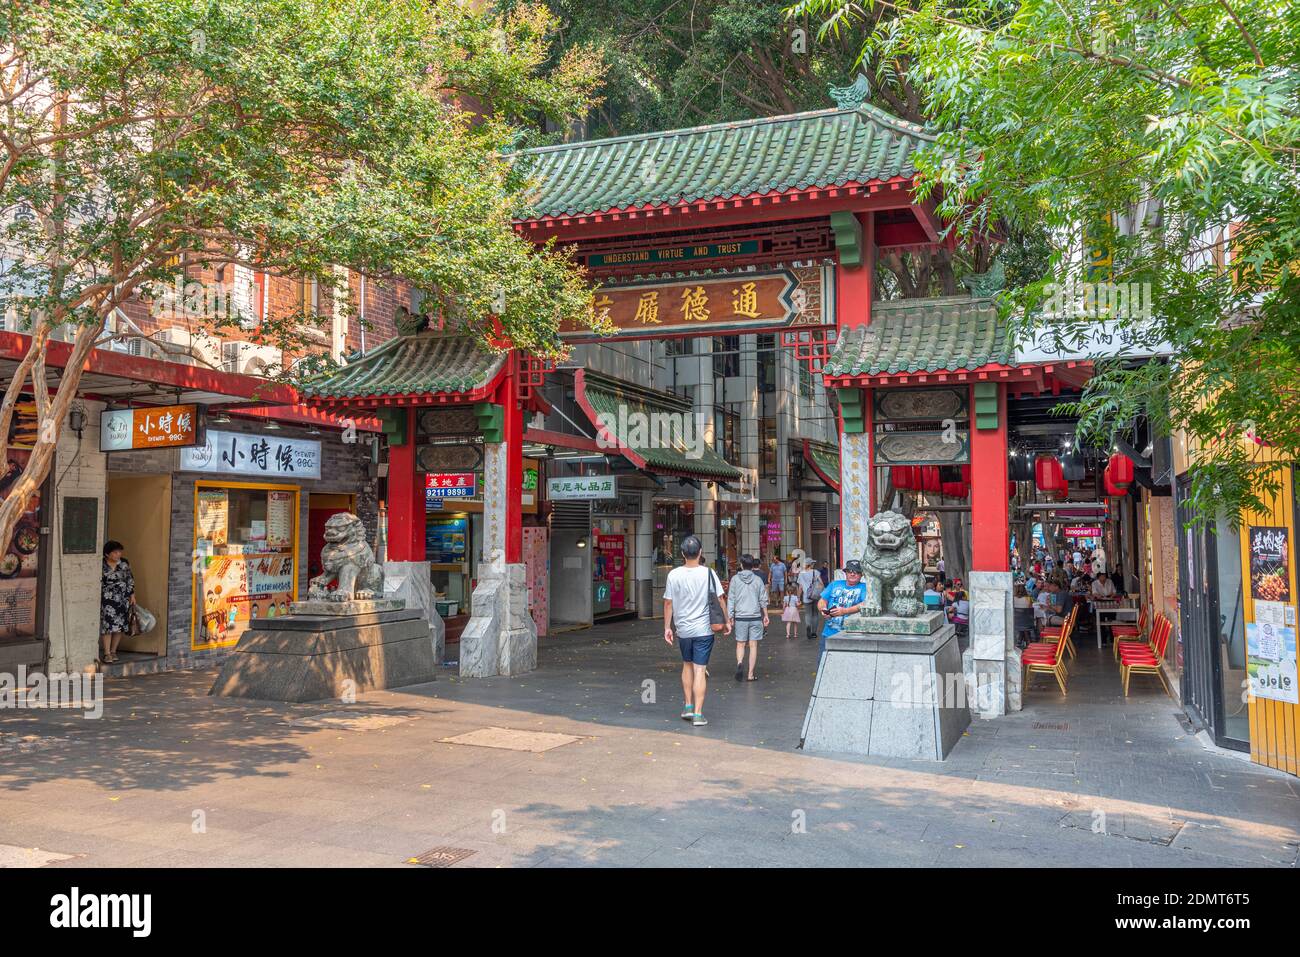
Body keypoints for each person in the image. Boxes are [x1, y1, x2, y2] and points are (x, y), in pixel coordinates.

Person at [663, 535, 728, 727]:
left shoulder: (673, 575)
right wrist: (727, 620)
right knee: (700, 669)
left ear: (682, 554)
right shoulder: (709, 573)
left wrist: (667, 627)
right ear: (700, 552)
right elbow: (720, 599)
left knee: (687, 664)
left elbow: (668, 603)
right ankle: (698, 715)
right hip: (704, 630)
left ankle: (688, 706)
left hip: (683, 630)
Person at [727, 554, 769, 681]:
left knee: (740, 644)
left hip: (740, 617)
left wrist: (730, 615)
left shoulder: (735, 579)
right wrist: (766, 615)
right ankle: (750, 674)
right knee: (753, 645)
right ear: (752, 565)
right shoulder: (758, 580)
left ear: (741, 565)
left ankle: (740, 663)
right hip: (755, 616)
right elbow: (763, 599)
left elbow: (731, 598)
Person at [816, 560, 869, 659]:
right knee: (823, 663)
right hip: (828, 633)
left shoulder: (864, 587)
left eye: (856, 572)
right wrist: (823, 610)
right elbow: (822, 600)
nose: (852, 574)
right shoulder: (834, 584)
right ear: (845, 573)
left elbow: (865, 603)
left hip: (852, 636)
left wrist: (844, 611)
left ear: (861, 575)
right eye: (850, 571)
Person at [100, 539, 135, 664]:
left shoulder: (124, 564)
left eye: (119, 552)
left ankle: (114, 651)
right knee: (107, 626)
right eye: (115, 552)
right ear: (107, 554)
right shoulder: (101, 565)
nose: (118, 554)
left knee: (119, 626)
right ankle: (107, 653)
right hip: (107, 600)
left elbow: (130, 580)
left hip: (122, 599)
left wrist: (132, 596)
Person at [797, 560, 821, 641]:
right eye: (812, 563)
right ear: (810, 564)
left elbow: (800, 587)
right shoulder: (815, 572)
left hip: (806, 597)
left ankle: (808, 627)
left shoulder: (801, 574)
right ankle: (814, 633)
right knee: (815, 614)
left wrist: (798, 598)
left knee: (807, 614)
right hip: (815, 595)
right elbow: (821, 583)